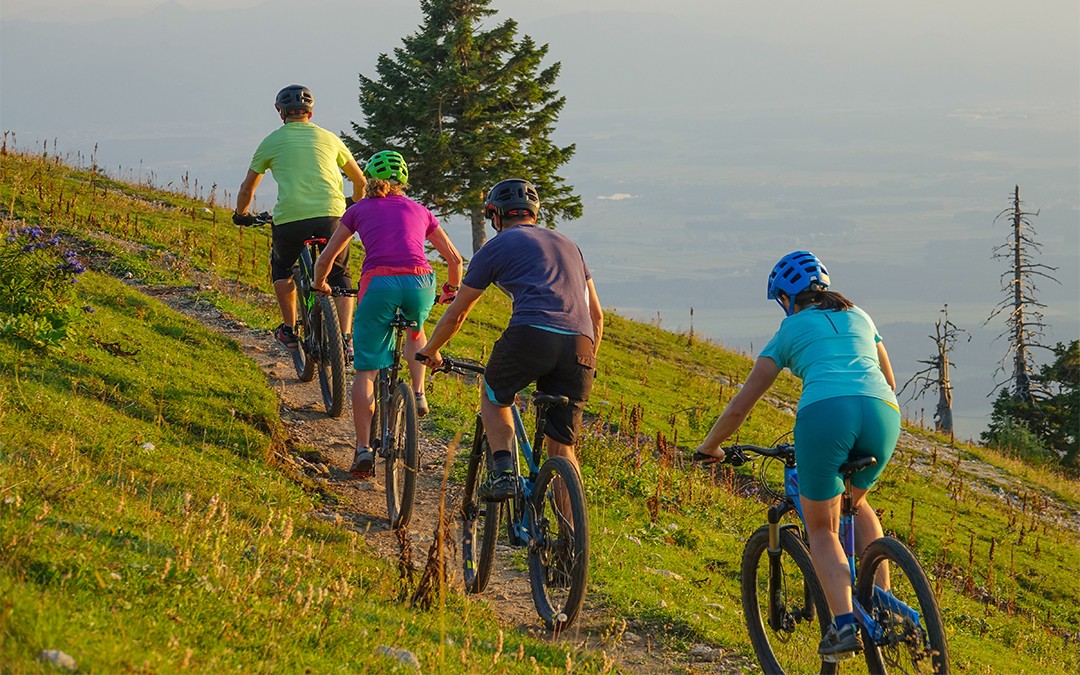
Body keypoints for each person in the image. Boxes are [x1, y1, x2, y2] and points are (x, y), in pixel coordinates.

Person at [695, 251, 899, 663]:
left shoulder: (789, 330)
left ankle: (843, 626)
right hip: (884, 414)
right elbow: (889, 380)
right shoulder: (859, 315)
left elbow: (741, 406)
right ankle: (887, 605)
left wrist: (709, 447)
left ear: (787, 298)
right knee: (856, 504)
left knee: (821, 528)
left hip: (826, 416)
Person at [416, 178, 604, 503]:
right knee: (563, 448)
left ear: (496, 217)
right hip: (581, 345)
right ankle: (571, 546)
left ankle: (503, 472)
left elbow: (457, 313)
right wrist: (588, 360)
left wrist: (431, 350)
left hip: (532, 333)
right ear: (534, 212)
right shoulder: (568, 244)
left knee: (493, 394)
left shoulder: (496, 246)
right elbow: (597, 316)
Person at [311, 150, 463, 478]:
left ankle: (363, 449)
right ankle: (419, 394)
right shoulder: (421, 210)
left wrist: (320, 283)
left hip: (379, 282)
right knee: (415, 328)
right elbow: (455, 261)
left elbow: (326, 258)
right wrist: (450, 291)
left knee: (366, 370)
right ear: (404, 182)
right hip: (421, 281)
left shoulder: (359, 209)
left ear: (369, 178)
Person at [233, 84, 365, 359]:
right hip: (332, 216)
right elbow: (360, 181)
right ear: (311, 113)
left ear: (280, 113)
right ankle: (347, 338)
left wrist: (242, 214)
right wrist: (351, 204)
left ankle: (290, 331)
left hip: (291, 219)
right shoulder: (330, 138)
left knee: (281, 265)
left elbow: (247, 189)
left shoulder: (271, 141)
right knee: (340, 273)